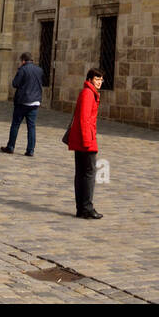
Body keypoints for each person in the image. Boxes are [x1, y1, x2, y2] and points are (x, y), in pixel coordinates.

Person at [67, 67, 104, 219]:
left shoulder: (88, 92)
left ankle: (81, 208)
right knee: (88, 174)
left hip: (82, 139)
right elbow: (84, 119)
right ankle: (87, 207)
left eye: (101, 79)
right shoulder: (89, 93)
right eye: (97, 79)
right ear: (90, 80)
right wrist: (88, 141)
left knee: (82, 174)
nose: (99, 82)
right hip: (86, 140)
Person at [1, 52, 45, 157]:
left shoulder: (23, 69)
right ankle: (30, 150)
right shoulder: (39, 70)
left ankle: (11, 147)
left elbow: (15, 83)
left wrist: (20, 70)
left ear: (23, 60)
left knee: (15, 125)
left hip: (22, 101)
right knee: (31, 127)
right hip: (35, 101)